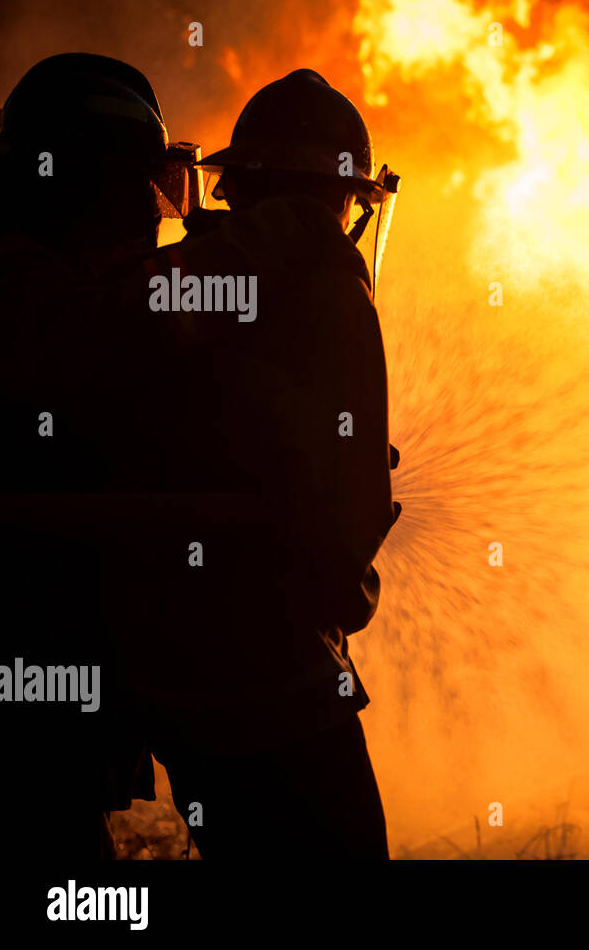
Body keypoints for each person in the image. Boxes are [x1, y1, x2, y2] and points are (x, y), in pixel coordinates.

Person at [115, 69, 400, 858]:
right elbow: (342, 531)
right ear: (337, 193)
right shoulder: (323, 276)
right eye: (347, 202)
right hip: (276, 683)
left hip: (187, 685)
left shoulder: (207, 285)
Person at [0, 53, 203, 858]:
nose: (155, 221)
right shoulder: (29, 295)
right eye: (140, 193)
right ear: (79, 186)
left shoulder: (51, 292)